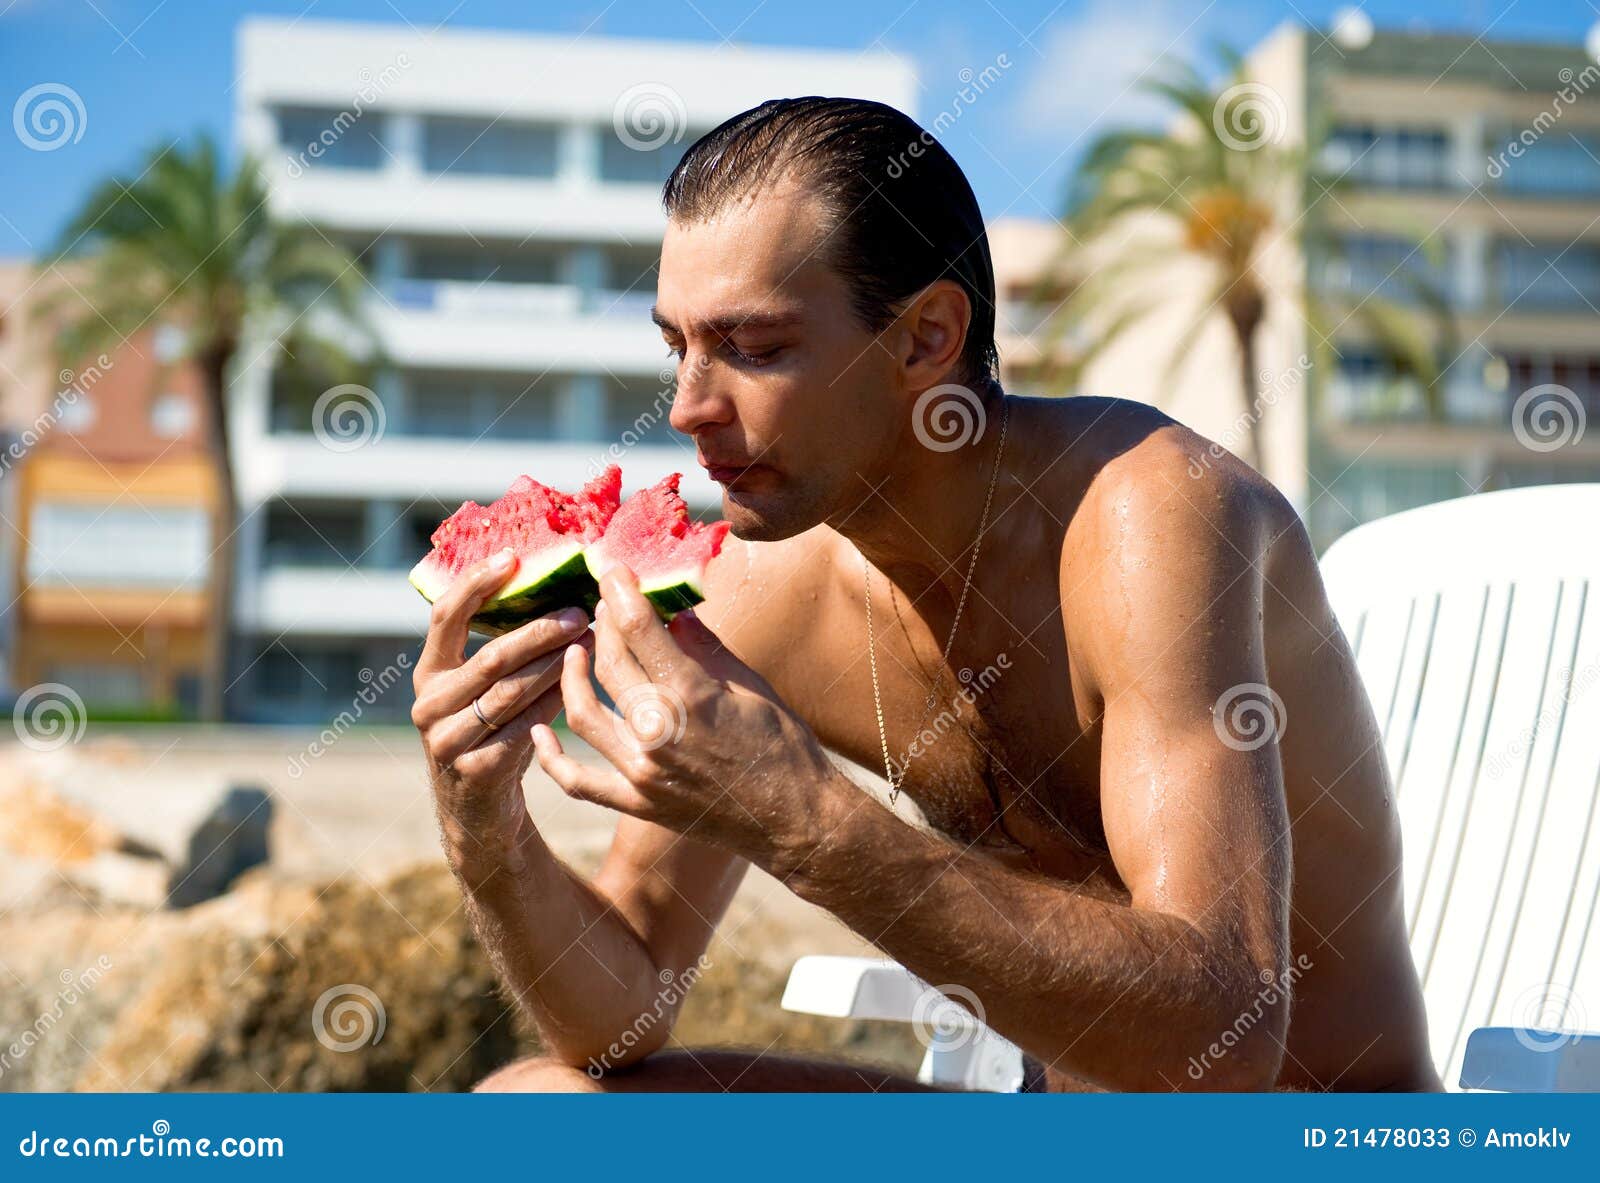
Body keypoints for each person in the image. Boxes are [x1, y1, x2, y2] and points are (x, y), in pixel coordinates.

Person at [410, 97, 1440, 1092]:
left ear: (926, 338)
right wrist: (485, 828)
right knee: (538, 1103)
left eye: (755, 349)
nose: (686, 408)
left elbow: (1223, 1043)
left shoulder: (1145, 515)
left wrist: (802, 816)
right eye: (674, 346)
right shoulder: (762, 593)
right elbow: (617, 1009)